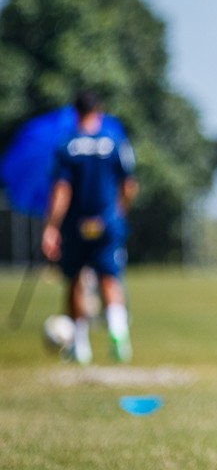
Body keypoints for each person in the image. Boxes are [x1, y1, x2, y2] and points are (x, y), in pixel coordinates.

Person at [40, 91, 137, 364]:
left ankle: (79, 346)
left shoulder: (67, 145)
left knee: (75, 281)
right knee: (109, 277)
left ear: (76, 112)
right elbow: (129, 184)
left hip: (75, 224)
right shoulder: (114, 141)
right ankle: (118, 332)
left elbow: (61, 190)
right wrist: (120, 211)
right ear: (100, 110)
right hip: (107, 221)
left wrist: (51, 226)